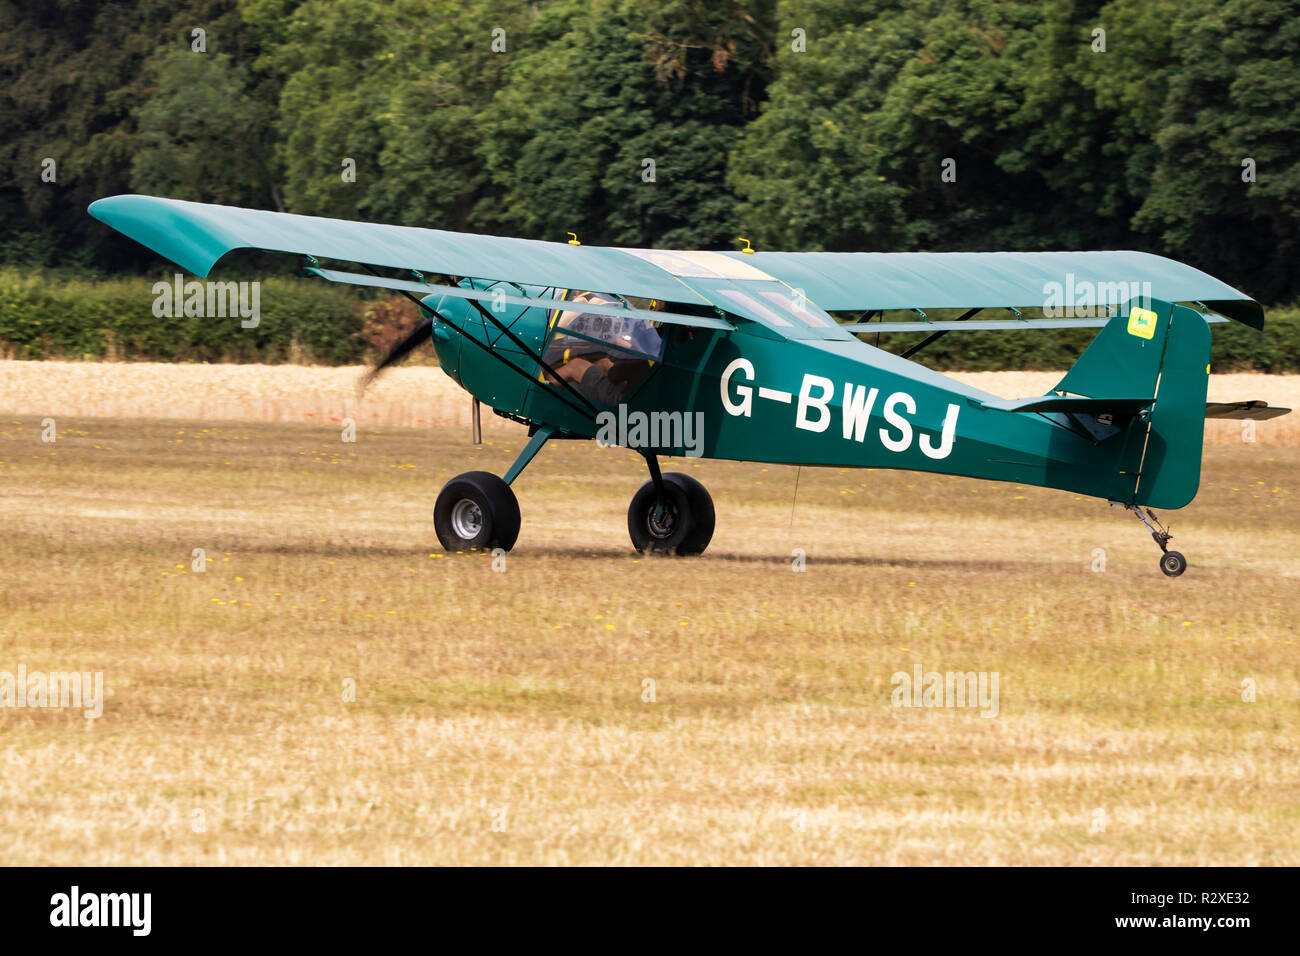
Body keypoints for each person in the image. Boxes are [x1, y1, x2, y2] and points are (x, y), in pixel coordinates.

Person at [544, 291, 662, 404]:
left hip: (623, 400)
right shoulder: (648, 341)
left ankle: (544, 388)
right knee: (604, 362)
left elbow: (557, 327)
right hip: (641, 388)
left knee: (577, 365)